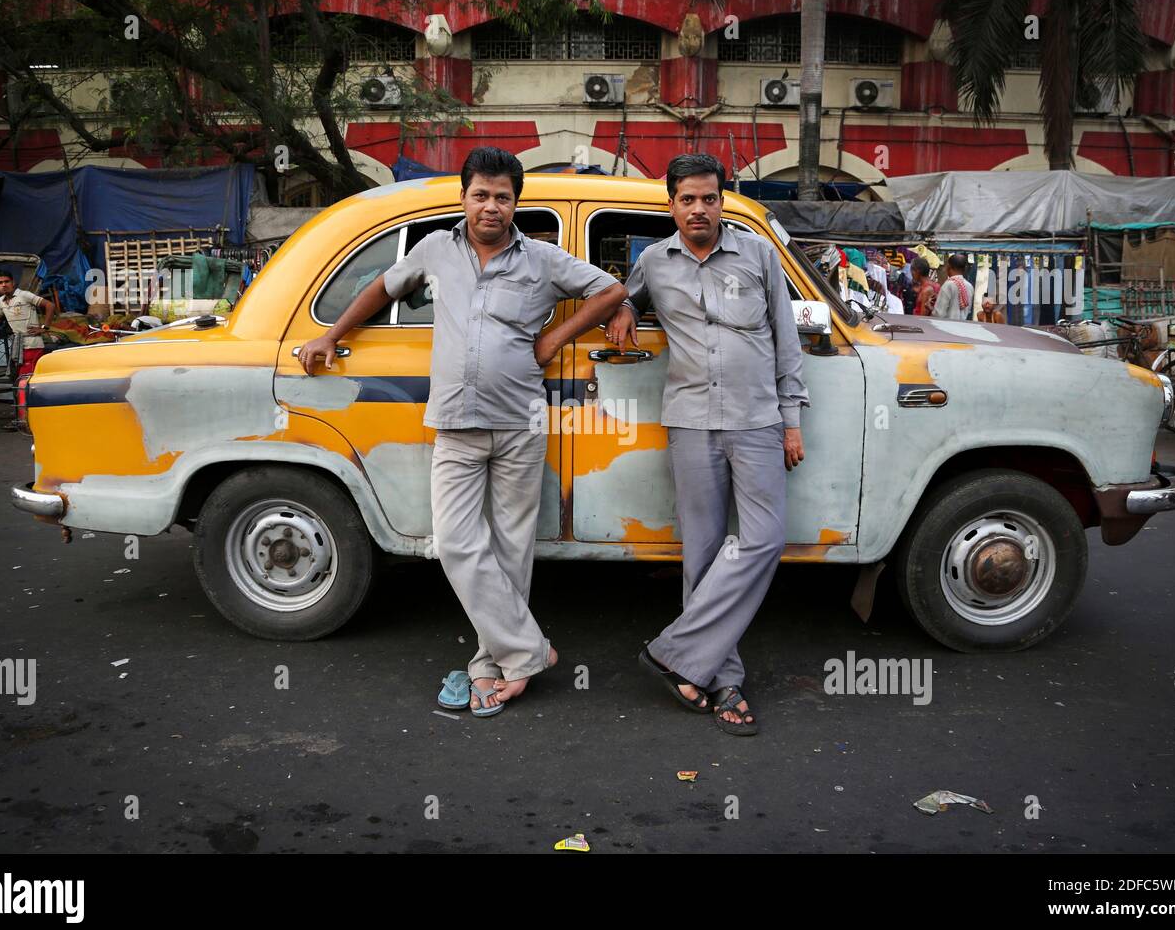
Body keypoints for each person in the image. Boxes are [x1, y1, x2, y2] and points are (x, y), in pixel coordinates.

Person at [297, 147, 628, 717]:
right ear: (464, 197)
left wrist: (556, 338)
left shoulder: (543, 259)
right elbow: (384, 287)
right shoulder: (434, 250)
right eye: (481, 195)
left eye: (503, 197)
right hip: (454, 423)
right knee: (453, 544)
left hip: (520, 422)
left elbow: (611, 289)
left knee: (511, 548)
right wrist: (333, 334)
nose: (491, 207)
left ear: (516, 202)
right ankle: (528, 651)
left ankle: (489, 664)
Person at [605, 153, 809, 736]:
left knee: (764, 539)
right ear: (671, 204)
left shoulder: (759, 254)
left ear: (722, 200)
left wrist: (791, 419)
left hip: (757, 419)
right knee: (702, 551)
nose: (699, 209)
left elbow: (786, 341)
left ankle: (674, 653)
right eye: (688, 199)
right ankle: (723, 681)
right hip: (691, 420)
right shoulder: (654, 261)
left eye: (709, 198)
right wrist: (624, 306)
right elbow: (624, 295)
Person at [0, 272, 54, 378]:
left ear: (13, 283)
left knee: (27, 377)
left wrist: (44, 327)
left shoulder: (24, 295)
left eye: (7, 281)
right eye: (0, 282)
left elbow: (49, 305)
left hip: (33, 343)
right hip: (18, 346)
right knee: (22, 376)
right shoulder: (1, 301)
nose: (4, 285)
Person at [933, 253, 975, 321]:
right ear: (965, 268)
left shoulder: (948, 285)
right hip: (962, 327)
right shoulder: (969, 286)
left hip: (946, 327)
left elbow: (938, 313)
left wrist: (930, 308)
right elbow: (968, 311)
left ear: (948, 267)